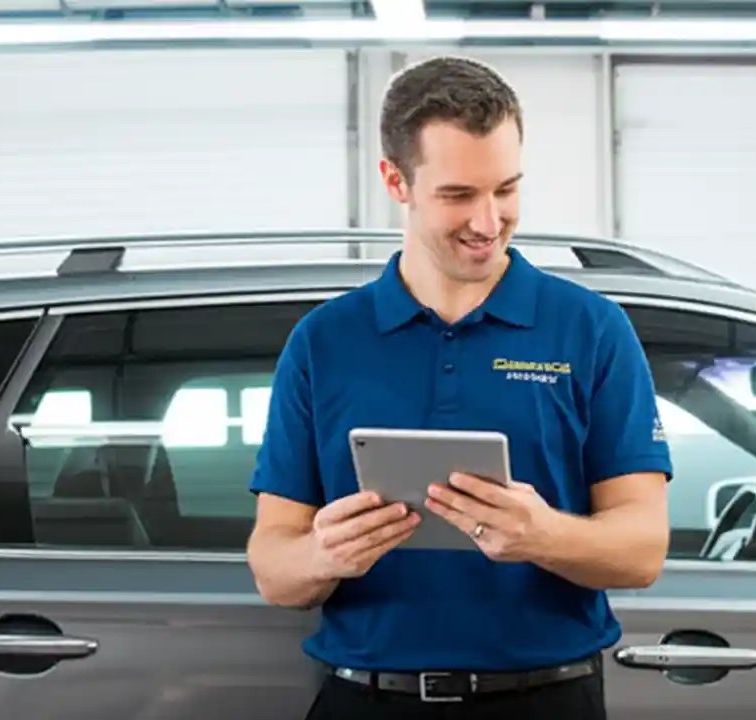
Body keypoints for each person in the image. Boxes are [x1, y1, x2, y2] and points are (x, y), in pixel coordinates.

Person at [244, 55, 673, 719]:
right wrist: (322, 555)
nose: (488, 221)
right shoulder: (324, 341)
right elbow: (274, 568)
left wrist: (542, 535)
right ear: (396, 181)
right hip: (367, 700)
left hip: (545, 700)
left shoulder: (591, 329)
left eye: (506, 189)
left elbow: (642, 550)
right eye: (458, 195)